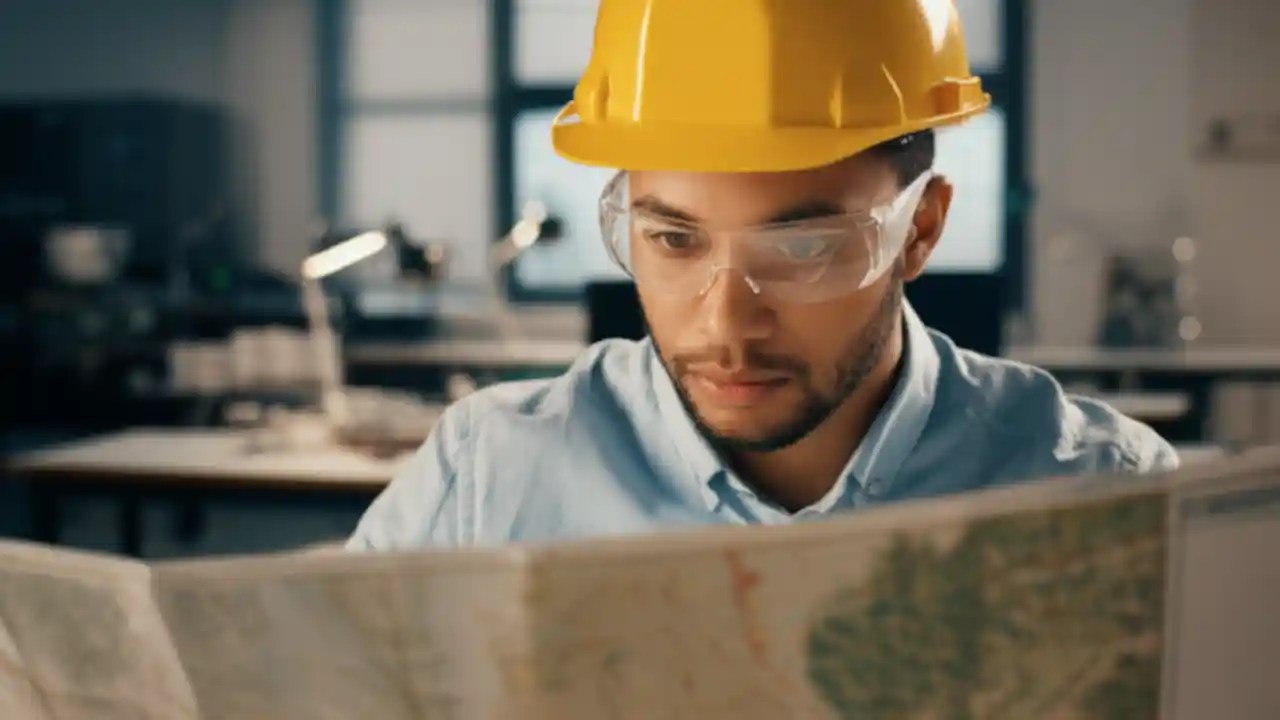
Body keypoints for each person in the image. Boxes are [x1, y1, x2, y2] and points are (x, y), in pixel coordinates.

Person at [347, 0, 1177, 550]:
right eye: (674, 240)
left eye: (804, 248)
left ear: (920, 229)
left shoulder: (1098, 495)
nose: (725, 326)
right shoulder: (489, 476)